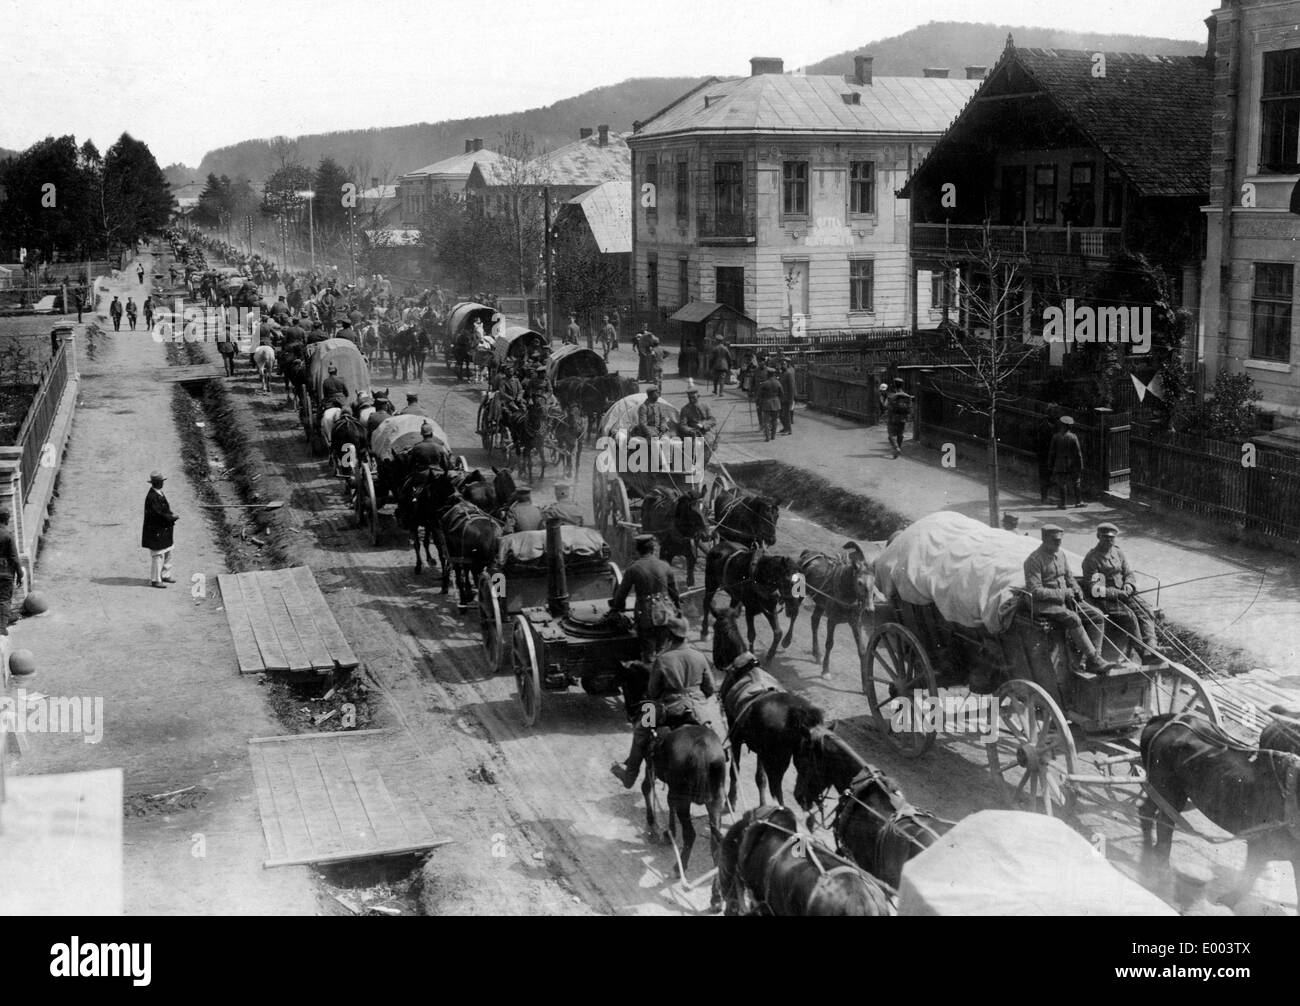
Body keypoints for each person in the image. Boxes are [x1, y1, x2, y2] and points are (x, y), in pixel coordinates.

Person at [610, 612, 716, 789]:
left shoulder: (663, 659)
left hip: (668, 707)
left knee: (641, 730)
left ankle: (629, 776)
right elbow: (710, 688)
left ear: (669, 635)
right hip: (698, 708)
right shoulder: (700, 656)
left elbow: (652, 691)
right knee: (713, 730)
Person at [1023, 524, 1116, 677]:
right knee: (1073, 618)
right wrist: (1064, 593)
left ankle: (1094, 660)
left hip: (1066, 600)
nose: (1058, 544)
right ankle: (1094, 659)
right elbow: (1035, 591)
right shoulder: (1033, 560)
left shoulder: (1061, 555)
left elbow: (1069, 577)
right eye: (1054, 541)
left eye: (1060, 540)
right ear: (1044, 539)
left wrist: (1077, 589)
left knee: (1097, 615)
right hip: (1045, 605)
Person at [1081, 522, 1161, 664]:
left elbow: (1128, 572)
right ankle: (1142, 652)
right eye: (1106, 538)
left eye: (1112, 538)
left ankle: (1152, 646)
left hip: (1124, 593)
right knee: (1129, 616)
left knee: (1146, 610)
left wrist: (1129, 586)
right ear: (1098, 536)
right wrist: (1117, 593)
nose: (1109, 541)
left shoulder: (1117, 552)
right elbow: (1095, 589)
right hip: (1104, 599)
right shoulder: (1092, 559)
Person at [608, 534, 681, 661]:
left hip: (646, 616)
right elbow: (674, 591)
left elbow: (621, 594)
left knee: (648, 653)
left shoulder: (633, 568)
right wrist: (679, 610)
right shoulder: (665, 565)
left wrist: (615, 610)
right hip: (666, 614)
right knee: (663, 650)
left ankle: (651, 674)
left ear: (637, 550)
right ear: (653, 549)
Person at [142, 470, 179, 589]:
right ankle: (155, 580)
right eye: (160, 482)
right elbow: (158, 514)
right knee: (158, 555)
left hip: (163, 529)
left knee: (168, 551)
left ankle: (165, 574)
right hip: (155, 530)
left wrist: (170, 515)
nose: (162, 483)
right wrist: (171, 518)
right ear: (155, 483)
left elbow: (164, 509)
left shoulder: (159, 493)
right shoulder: (152, 497)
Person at [1049, 415, 1085, 509]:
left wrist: (1050, 464)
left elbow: (1052, 453)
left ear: (1061, 425)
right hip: (1072, 464)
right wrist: (1080, 465)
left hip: (1060, 463)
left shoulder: (1056, 437)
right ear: (1069, 426)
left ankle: (1063, 504)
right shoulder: (1073, 437)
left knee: (1062, 483)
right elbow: (1078, 452)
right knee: (1076, 482)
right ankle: (1078, 502)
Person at [0, 510, 24, 635]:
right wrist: (20, 574)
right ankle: (2, 628)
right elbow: (14, 557)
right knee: (4, 600)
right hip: (5, 572)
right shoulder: (8, 535)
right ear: (6, 519)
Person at [885, 377, 911, 458]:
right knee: (900, 434)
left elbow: (887, 406)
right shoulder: (907, 396)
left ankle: (896, 448)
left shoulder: (891, 396)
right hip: (903, 418)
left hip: (893, 418)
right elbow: (910, 408)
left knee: (891, 435)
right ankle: (898, 448)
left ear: (894, 385)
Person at [1036, 410, 1059, 504]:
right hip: (1047, 456)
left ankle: (1044, 497)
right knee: (1046, 476)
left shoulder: (1042, 424)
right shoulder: (1049, 428)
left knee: (1044, 476)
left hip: (1041, 455)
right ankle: (1045, 498)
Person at [757, 367, 782, 442]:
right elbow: (782, 393)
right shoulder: (778, 383)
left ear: (768, 374)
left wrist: (759, 402)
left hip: (767, 403)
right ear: (774, 374)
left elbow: (759, 394)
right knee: (774, 420)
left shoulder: (765, 383)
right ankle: (773, 436)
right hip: (776, 403)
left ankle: (767, 437)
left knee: (766, 421)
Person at [778, 358, 796, 435]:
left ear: (787, 365)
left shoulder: (789, 374)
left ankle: (788, 429)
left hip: (787, 398)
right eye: (781, 364)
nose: (782, 365)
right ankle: (785, 427)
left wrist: (791, 400)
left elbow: (792, 388)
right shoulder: (781, 374)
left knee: (786, 414)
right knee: (780, 414)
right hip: (781, 398)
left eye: (784, 364)